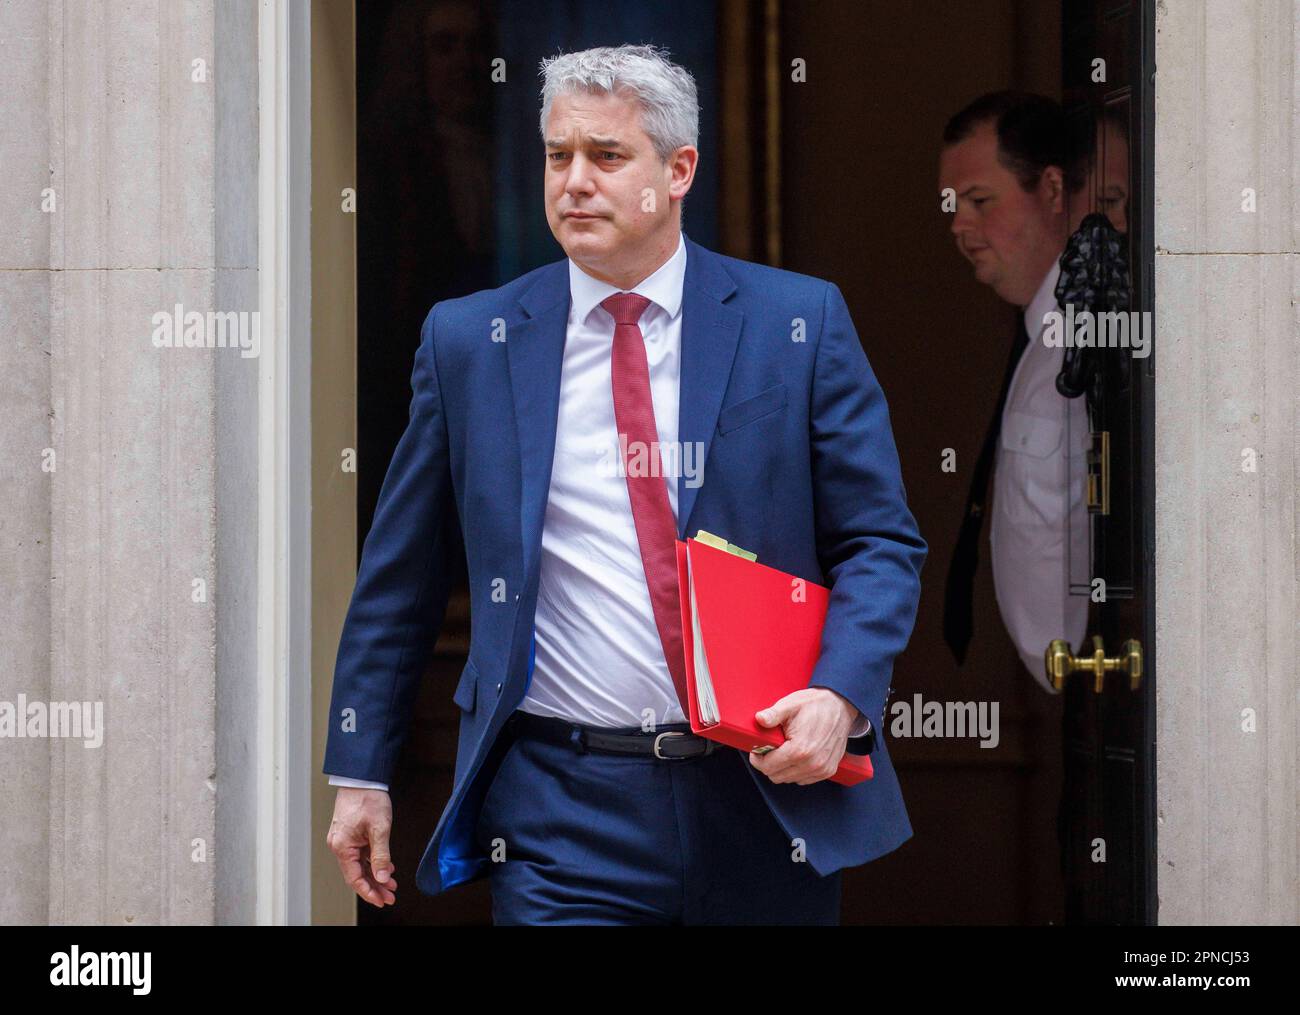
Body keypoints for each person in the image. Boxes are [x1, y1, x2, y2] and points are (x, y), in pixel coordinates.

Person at [323, 43, 926, 925]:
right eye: (558, 155)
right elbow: (399, 578)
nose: (574, 181)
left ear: (678, 170)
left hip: (761, 796)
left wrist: (841, 694)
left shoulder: (796, 322)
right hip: (561, 810)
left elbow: (880, 540)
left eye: (607, 157)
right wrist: (360, 769)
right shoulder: (470, 343)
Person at [937, 91, 1091, 693]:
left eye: (980, 201)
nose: (959, 225)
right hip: (1074, 691)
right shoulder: (1040, 332)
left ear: (1052, 190)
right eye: (954, 204)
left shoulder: (1097, 336)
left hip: (1112, 683)